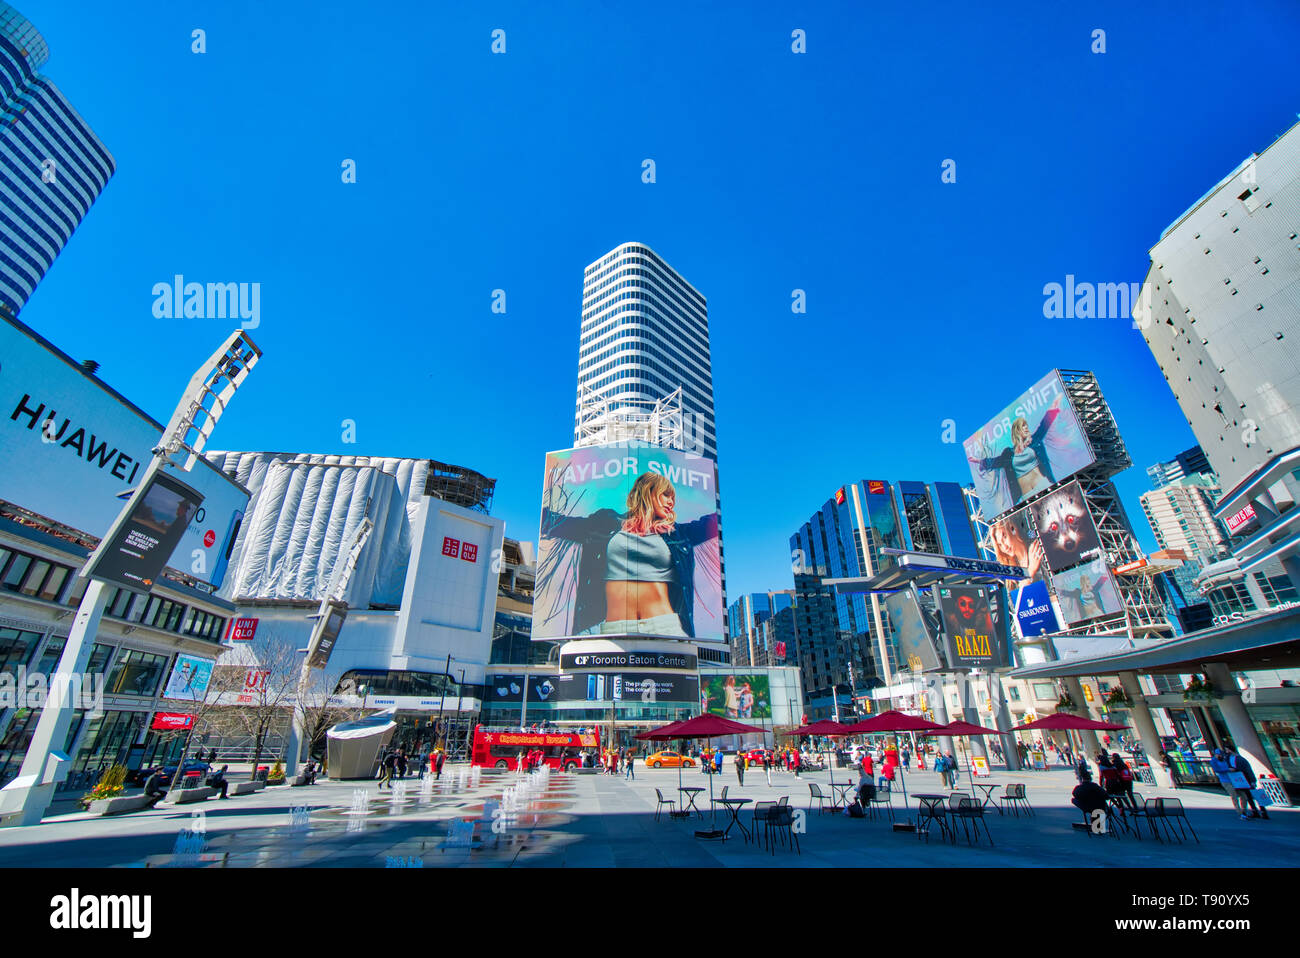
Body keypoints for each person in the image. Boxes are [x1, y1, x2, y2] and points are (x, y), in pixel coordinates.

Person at [541, 470, 719, 638]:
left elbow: (714, 521)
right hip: (610, 627)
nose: (671, 501)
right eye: (666, 494)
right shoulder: (604, 523)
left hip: (665, 627)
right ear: (647, 492)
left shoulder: (678, 534)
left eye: (673, 497)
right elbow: (557, 523)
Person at [1226, 747, 1267, 820]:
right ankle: (1258, 811)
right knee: (1250, 796)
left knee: (1252, 795)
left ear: (1230, 750)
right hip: (1242, 779)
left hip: (1245, 779)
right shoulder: (1231, 758)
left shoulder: (1239, 759)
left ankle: (1261, 811)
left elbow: (1247, 770)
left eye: (1227, 750)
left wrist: (1252, 780)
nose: (1226, 751)